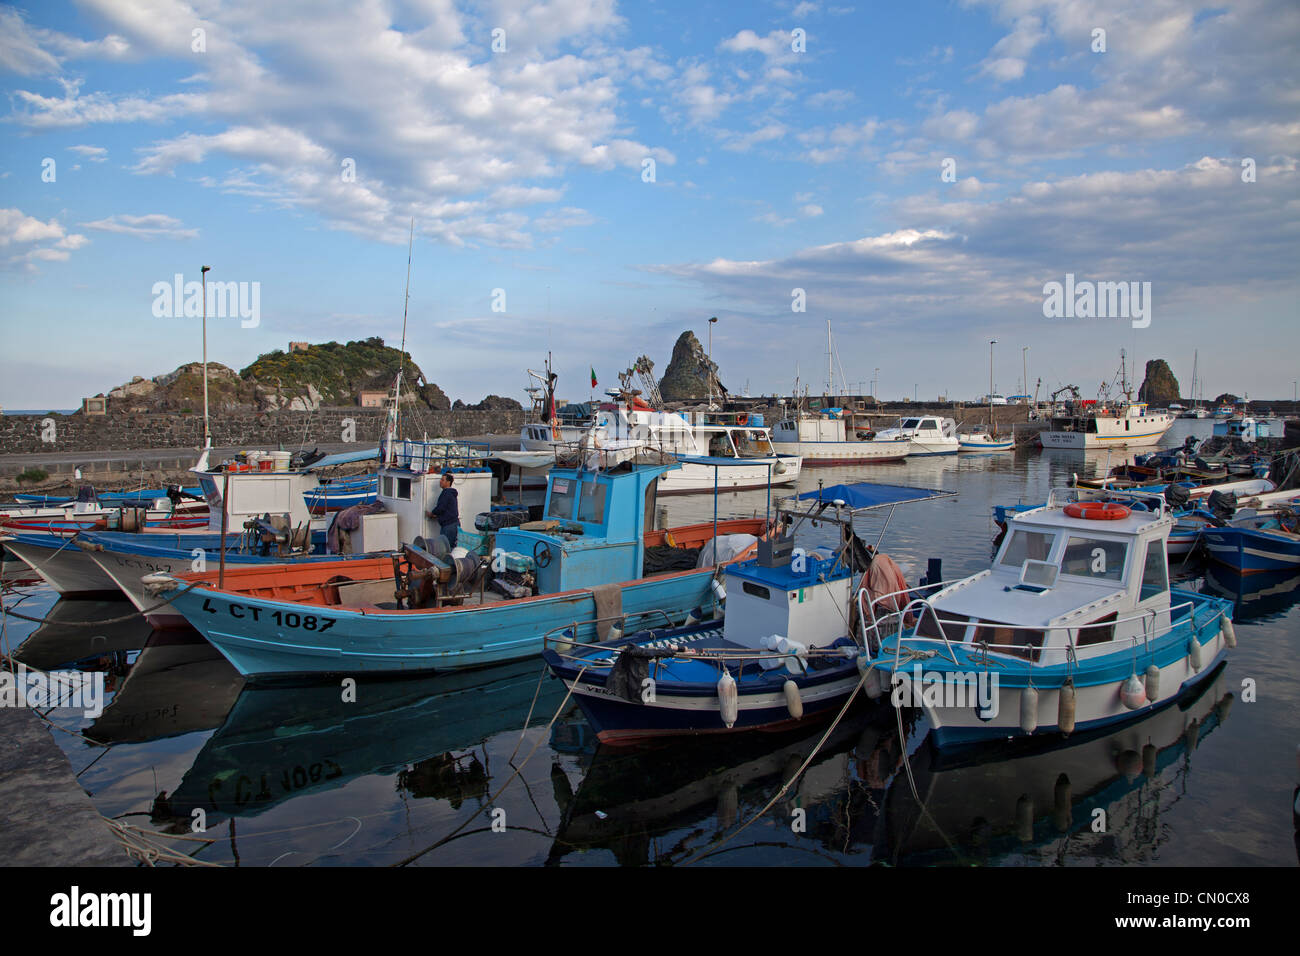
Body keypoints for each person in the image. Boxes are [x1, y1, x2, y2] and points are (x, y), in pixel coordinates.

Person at [428, 471, 460, 547]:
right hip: (454, 524)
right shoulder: (451, 493)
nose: (440, 481)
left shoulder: (446, 493)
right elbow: (447, 509)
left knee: (445, 547)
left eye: (442, 480)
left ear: (448, 482)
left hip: (449, 525)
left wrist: (432, 513)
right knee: (451, 546)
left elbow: (441, 507)